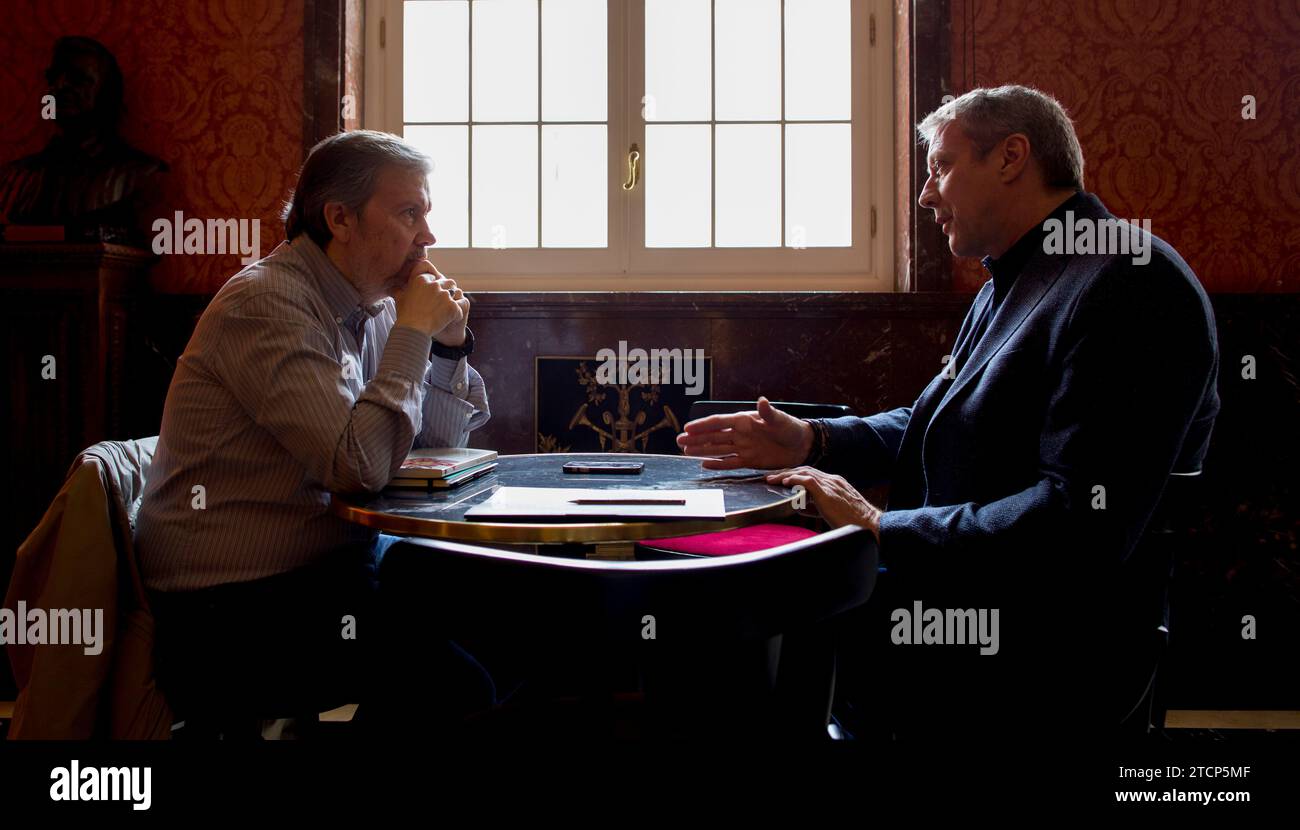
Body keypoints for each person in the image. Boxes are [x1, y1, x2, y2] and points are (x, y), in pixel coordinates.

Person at [677, 85, 1220, 743]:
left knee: (742, 616)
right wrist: (812, 441)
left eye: (941, 166)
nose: (926, 195)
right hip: (962, 603)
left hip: (1046, 647)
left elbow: (1080, 524)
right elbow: (939, 418)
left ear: (1013, 157)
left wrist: (884, 527)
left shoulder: (1127, 282)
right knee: (729, 607)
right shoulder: (1021, 276)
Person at [135, 130, 492, 735]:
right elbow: (357, 464)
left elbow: (432, 447)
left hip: (321, 574)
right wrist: (412, 335)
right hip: (230, 612)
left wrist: (447, 348)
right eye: (409, 214)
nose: (428, 237)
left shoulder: (375, 305)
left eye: (426, 216)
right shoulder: (268, 305)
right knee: (454, 683)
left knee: (494, 605)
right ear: (339, 218)